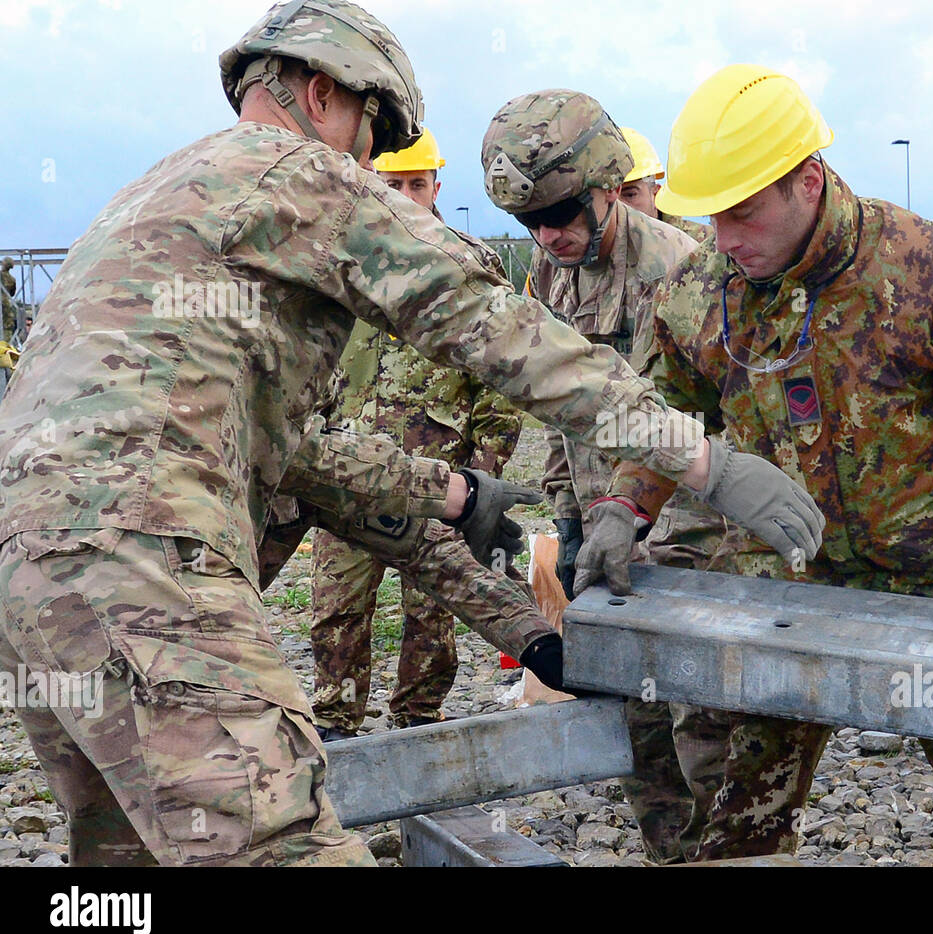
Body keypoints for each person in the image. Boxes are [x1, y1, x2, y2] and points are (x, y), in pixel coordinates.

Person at [0, 1, 822, 867]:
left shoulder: (152, 199)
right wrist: (703, 460)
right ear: (322, 94)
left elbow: (296, 454)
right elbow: (502, 333)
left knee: (133, 857)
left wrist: (454, 493)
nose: (368, 163)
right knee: (276, 840)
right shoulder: (297, 173)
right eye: (372, 136)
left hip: (35, 579)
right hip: (144, 559)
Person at [576, 64, 933, 866]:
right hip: (793, 580)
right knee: (742, 822)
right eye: (711, 218)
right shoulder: (702, 289)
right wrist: (624, 508)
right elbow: (665, 411)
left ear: (808, 180)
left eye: (743, 212)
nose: (726, 238)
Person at [482, 89, 725, 863]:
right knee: (632, 712)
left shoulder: (680, 270)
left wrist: (649, 523)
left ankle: (728, 846)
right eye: (532, 223)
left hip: (689, 531)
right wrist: (569, 509)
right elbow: (560, 408)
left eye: (561, 214)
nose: (547, 236)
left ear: (609, 188)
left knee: (703, 713)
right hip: (604, 525)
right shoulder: (552, 278)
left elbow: (699, 419)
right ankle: (669, 850)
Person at [310, 129, 524, 738]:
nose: (404, 195)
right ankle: (336, 726)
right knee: (336, 609)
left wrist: (483, 474)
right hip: (344, 477)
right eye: (392, 183)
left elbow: (501, 381)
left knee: (432, 611)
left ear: (437, 185)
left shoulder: (466, 267)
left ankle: (418, 722)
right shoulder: (339, 264)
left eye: (416, 183)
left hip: (441, 484)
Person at [616, 127, 711, 243]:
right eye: (609, 199)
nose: (618, 208)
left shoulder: (705, 245)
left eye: (630, 195)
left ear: (655, 195)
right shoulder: (594, 250)